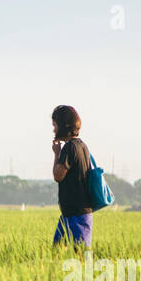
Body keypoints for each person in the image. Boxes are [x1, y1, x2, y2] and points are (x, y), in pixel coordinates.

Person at [50, 106, 92, 247]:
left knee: (79, 254)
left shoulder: (69, 148)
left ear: (63, 126)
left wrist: (57, 153)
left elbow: (58, 176)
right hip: (71, 212)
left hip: (77, 213)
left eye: (55, 125)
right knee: (57, 250)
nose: (54, 129)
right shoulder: (82, 146)